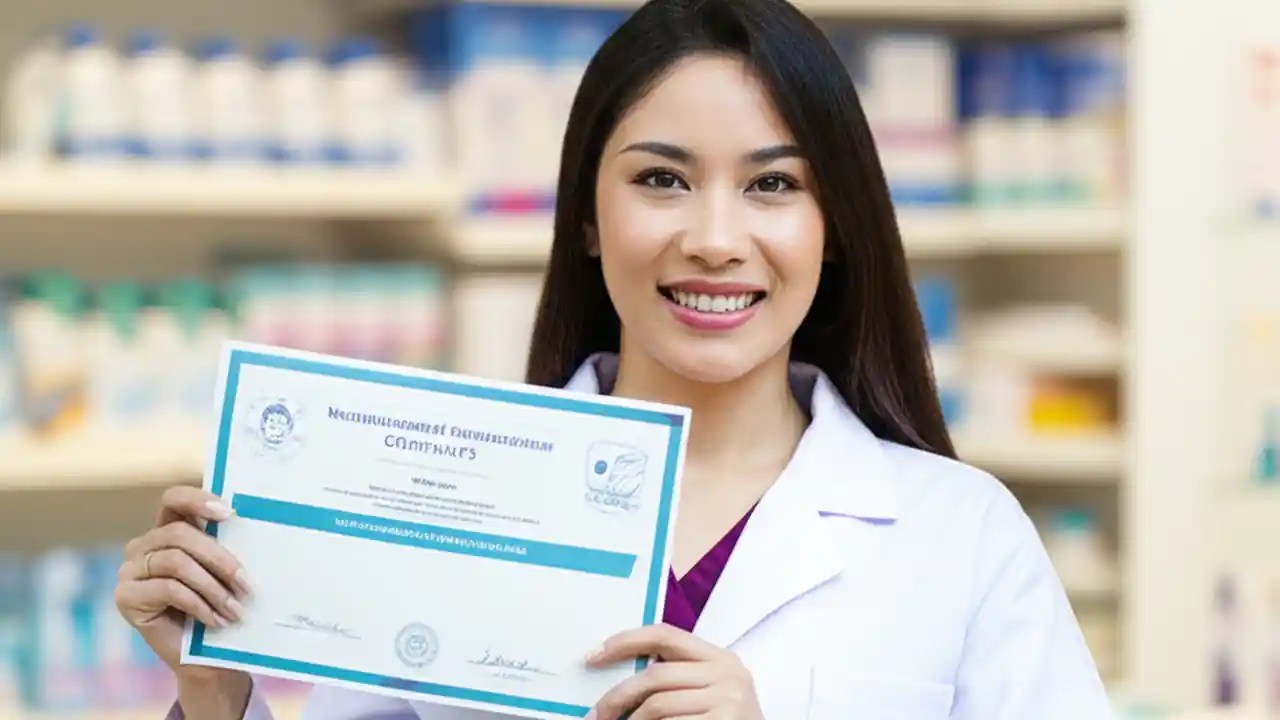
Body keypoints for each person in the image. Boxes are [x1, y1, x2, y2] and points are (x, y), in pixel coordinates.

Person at [113, 0, 1114, 717]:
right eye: (661, 180)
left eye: (772, 187)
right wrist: (212, 693)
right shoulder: (441, 512)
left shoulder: (958, 536)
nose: (716, 238)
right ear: (587, 217)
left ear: (834, 224)